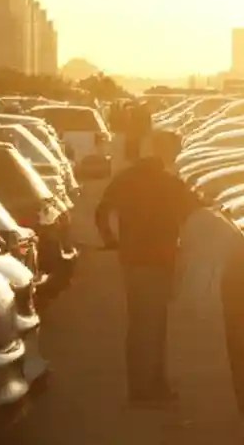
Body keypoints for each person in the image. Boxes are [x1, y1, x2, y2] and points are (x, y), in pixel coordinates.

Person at [94, 140, 200, 407]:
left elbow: (101, 211)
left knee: (139, 324)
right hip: (161, 259)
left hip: (132, 259)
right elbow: (194, 214)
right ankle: (151, 386)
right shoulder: (169, 183)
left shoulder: (125, 179)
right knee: (155, 325)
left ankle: (141, 385)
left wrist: (110, 239)